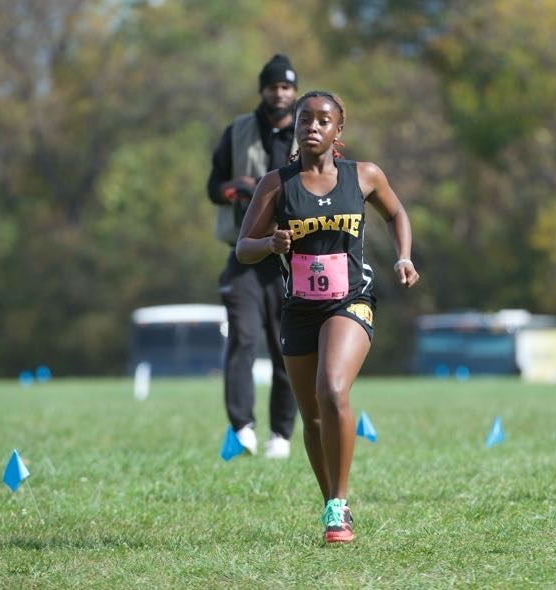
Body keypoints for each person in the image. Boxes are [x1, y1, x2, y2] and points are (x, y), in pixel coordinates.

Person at [236, 90, 419, 542]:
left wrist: (403, 256)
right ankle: (328, 503)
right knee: (312, 417)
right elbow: (243, 248)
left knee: (332, 389)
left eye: (323, 120)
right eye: (305, 120)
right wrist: (270, 244)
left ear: (339, 130)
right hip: (298, 309)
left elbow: (397, 213)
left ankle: (340, 505)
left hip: (350, 301)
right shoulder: (276, 184)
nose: (312, 127)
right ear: (296, 127)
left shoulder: (364, 176)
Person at [206, 54, 300, 459]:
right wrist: (237, 187)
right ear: (261, 90)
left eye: (285, 87)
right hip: (245, 256)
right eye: (272, 86)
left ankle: (280, 435)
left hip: (290, 259)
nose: (278, 93)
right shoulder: (238, 131)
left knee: (287, 347)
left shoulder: (309, 130)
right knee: (242, 338)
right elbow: (213, 187)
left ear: (294, 92)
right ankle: (241, 428)